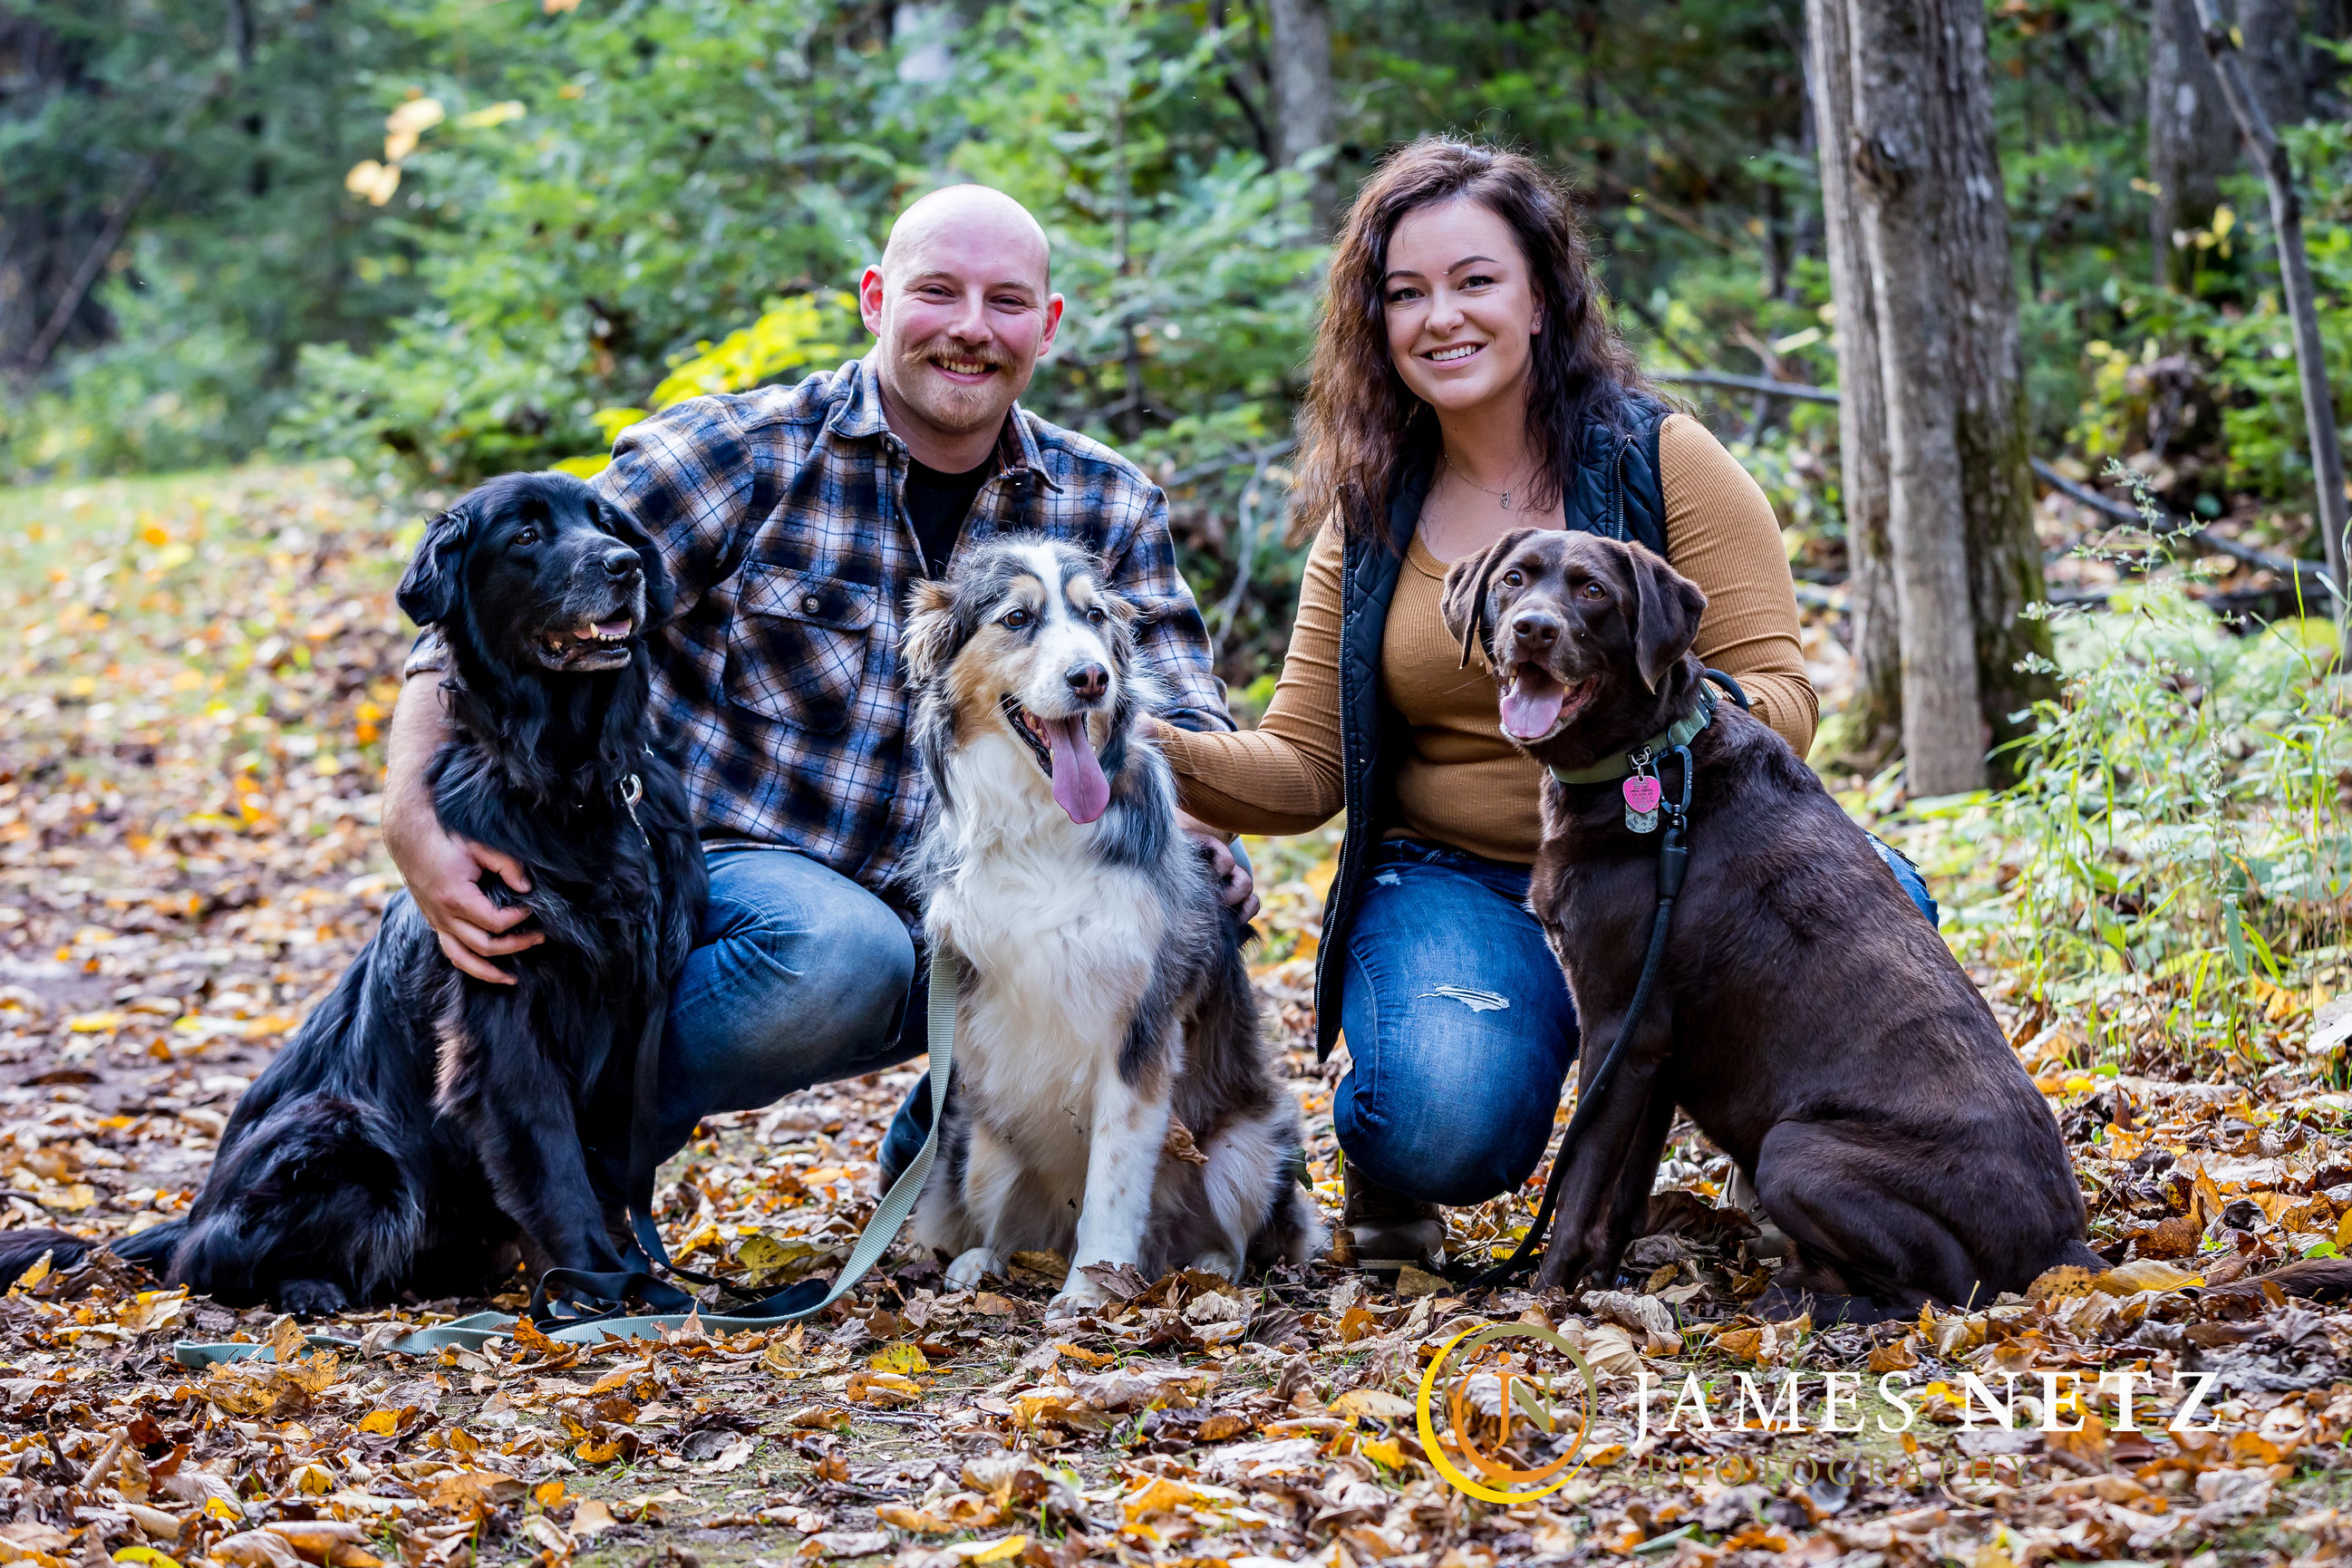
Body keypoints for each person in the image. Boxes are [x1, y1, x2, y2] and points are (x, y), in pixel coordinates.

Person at [1151, 138, 1936, 1274]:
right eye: (1405, 293)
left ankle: (1801, 1150)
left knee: (1891, 905)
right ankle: (1401, 1133)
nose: (1441, 316)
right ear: (1375, 320)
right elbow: (1306, 767)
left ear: (1539, 296)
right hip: (1463, 882)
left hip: (1676, 865)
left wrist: (1638, 716)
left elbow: (1782, 699)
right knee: (1438, 1116)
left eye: (1475, 280)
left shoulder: (1663, 460)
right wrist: (1137, 745)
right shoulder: (1373, 510)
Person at [381, 185, 1255, 1187]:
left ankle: (949, 1156)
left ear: (1047, 326)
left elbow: (1182, 705)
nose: (972, 329)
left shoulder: (1105, 501)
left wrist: (1205, 835)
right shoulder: (741, 452)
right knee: (843, 950)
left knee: (1190, 899)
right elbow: (496, 615)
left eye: (1007, 302)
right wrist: (410, 815)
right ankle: (561, 1158)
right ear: (876, 299)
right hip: (736, 890)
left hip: (981, 881)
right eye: (938, 291)